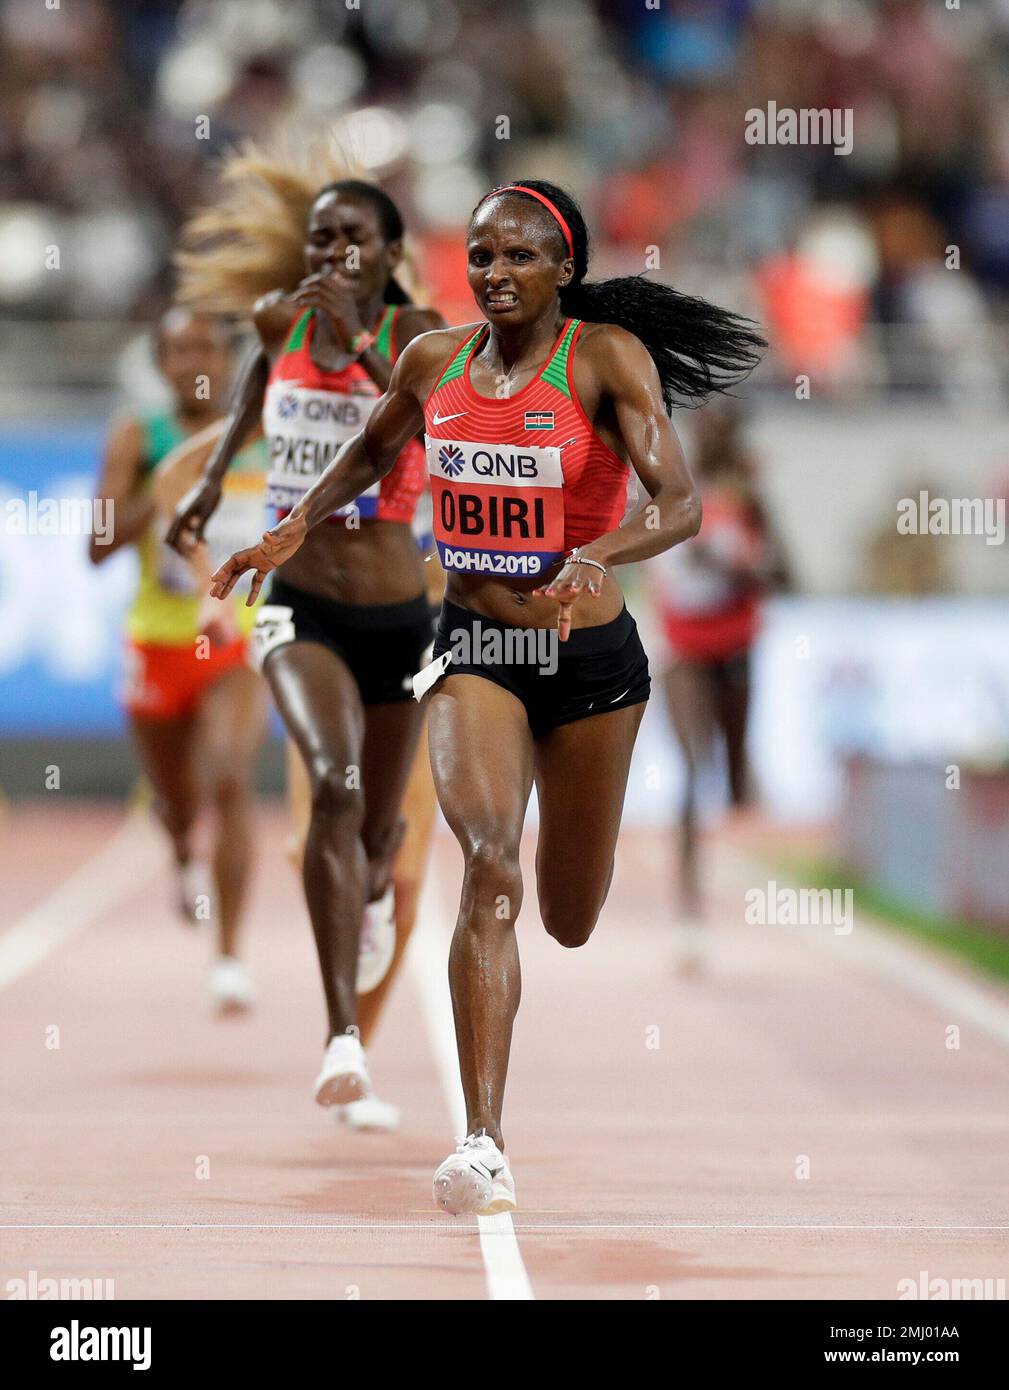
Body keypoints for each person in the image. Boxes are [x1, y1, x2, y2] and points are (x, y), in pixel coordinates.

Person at [209, 179, 764, 1212]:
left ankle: (513, 1027)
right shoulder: (432, 361)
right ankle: (483, 1142)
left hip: (589, 667)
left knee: (567, 914)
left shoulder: (603, 359)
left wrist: (594, 554)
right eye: (480, 258)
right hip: (471, 643)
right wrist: (294, 524)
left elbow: (678, 502)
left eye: (517, 258)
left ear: (564, 269)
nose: (495, 275)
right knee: (488, 864)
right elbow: (371, 452)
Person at [168, 170, 445, 1122]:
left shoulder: (421, 336)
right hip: (300, 603)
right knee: (333, 783)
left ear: (390, 253)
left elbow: (418, 423)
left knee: (375, 842)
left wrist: (364, 343)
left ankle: (379, 864)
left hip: (400, 614)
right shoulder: (275, 320)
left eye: (352, 238)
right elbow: (252, 395)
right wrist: (209, 488)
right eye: (320, 238)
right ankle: (341, 1039)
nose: (332, 253)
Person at [89, 309, 268, 1013]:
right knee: (176, 801)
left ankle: (228, 955)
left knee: (228, 774)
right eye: (178, 349)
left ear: (227, 360)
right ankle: (182, 852)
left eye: (206, 348)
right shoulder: (138, 433)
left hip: (234, 637)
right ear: (160, 364)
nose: (194, 360)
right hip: (157, 642)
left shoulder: (256, 433)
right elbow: (97, 544)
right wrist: (162, 489)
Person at [649, 401, 791, 971]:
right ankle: (689, 916)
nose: (709, 444)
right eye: (702, 433)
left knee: (732, 785)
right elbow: (641, 548)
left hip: (735, 651)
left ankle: (744, 777)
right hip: (682, 651)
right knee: (689, 771)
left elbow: (787, 576)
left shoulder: (749, 500)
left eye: (719, 434)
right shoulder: (669, 489)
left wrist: (737, 570)